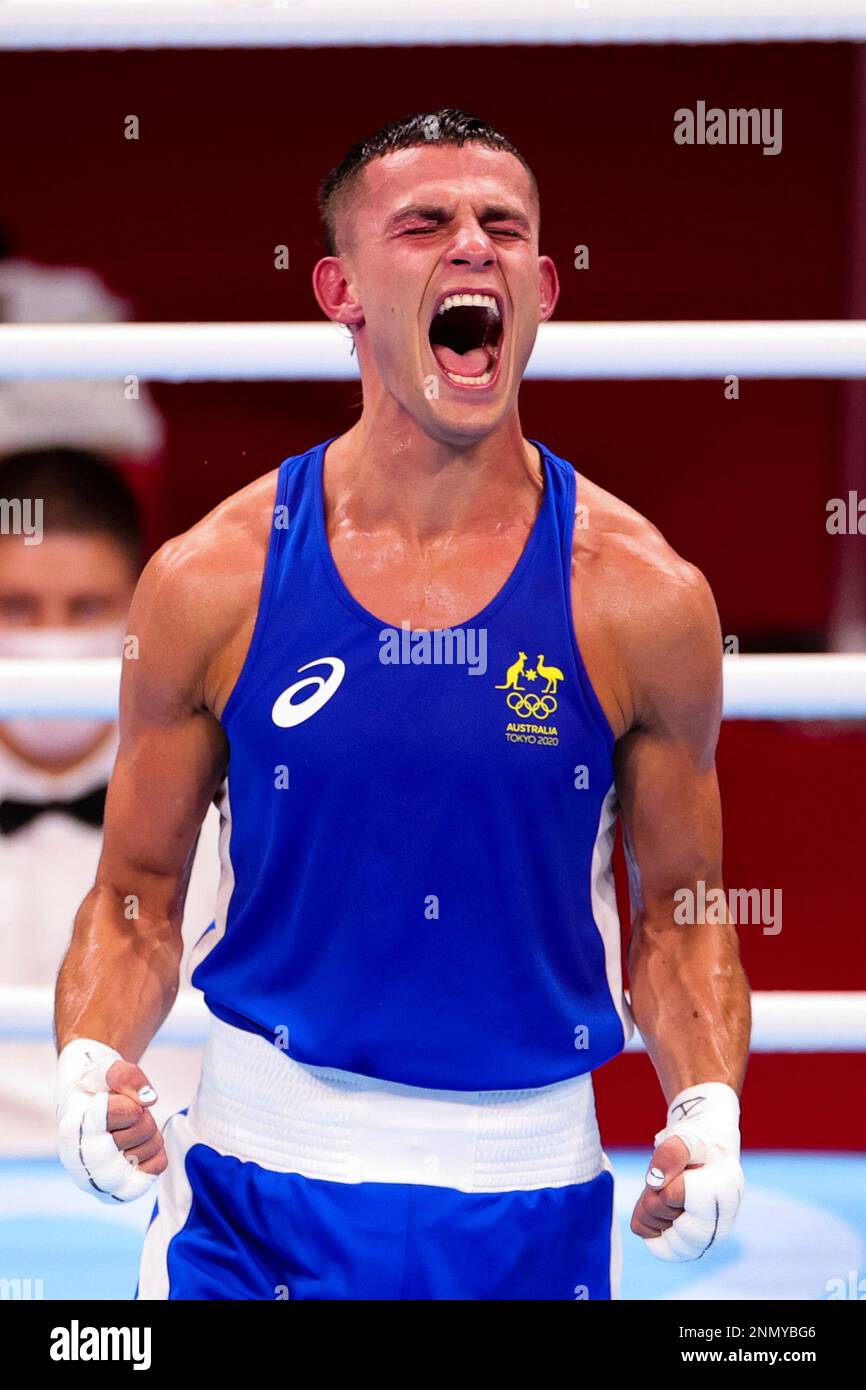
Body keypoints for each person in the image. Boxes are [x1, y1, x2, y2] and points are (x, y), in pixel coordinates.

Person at [54, 110, 750, 1300]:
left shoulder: (643, 600)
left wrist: (707, 1110)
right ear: (339, 288)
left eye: (501, 227)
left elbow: (680, 916)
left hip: (530, 1201)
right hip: (251, 1196)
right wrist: (87, 1066)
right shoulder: (211, 580)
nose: (469, 246)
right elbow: (136, 896)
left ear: (541, 287)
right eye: (424, 222)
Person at [0, 448, 216, 1154]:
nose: (53, 637)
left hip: (178, 1191)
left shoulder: (228, 813)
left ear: (136, 618)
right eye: (18, 608)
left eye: (87, 608)